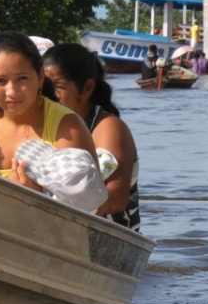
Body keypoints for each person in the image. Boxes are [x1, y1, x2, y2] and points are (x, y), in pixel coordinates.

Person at [0, 31, 95, 189]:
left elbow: (86, 205)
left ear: (40, 78)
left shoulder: (67, 127)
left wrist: (34, 196)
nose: (12, 91)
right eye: (0, 81)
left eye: (22, 78)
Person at [42, 42, 140, 230]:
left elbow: (114, 199)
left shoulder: (108, 127)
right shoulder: (46, 124)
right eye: (43, 87)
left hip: (108, 241)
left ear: (87, 88)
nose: (46, 96)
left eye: (56, 87)